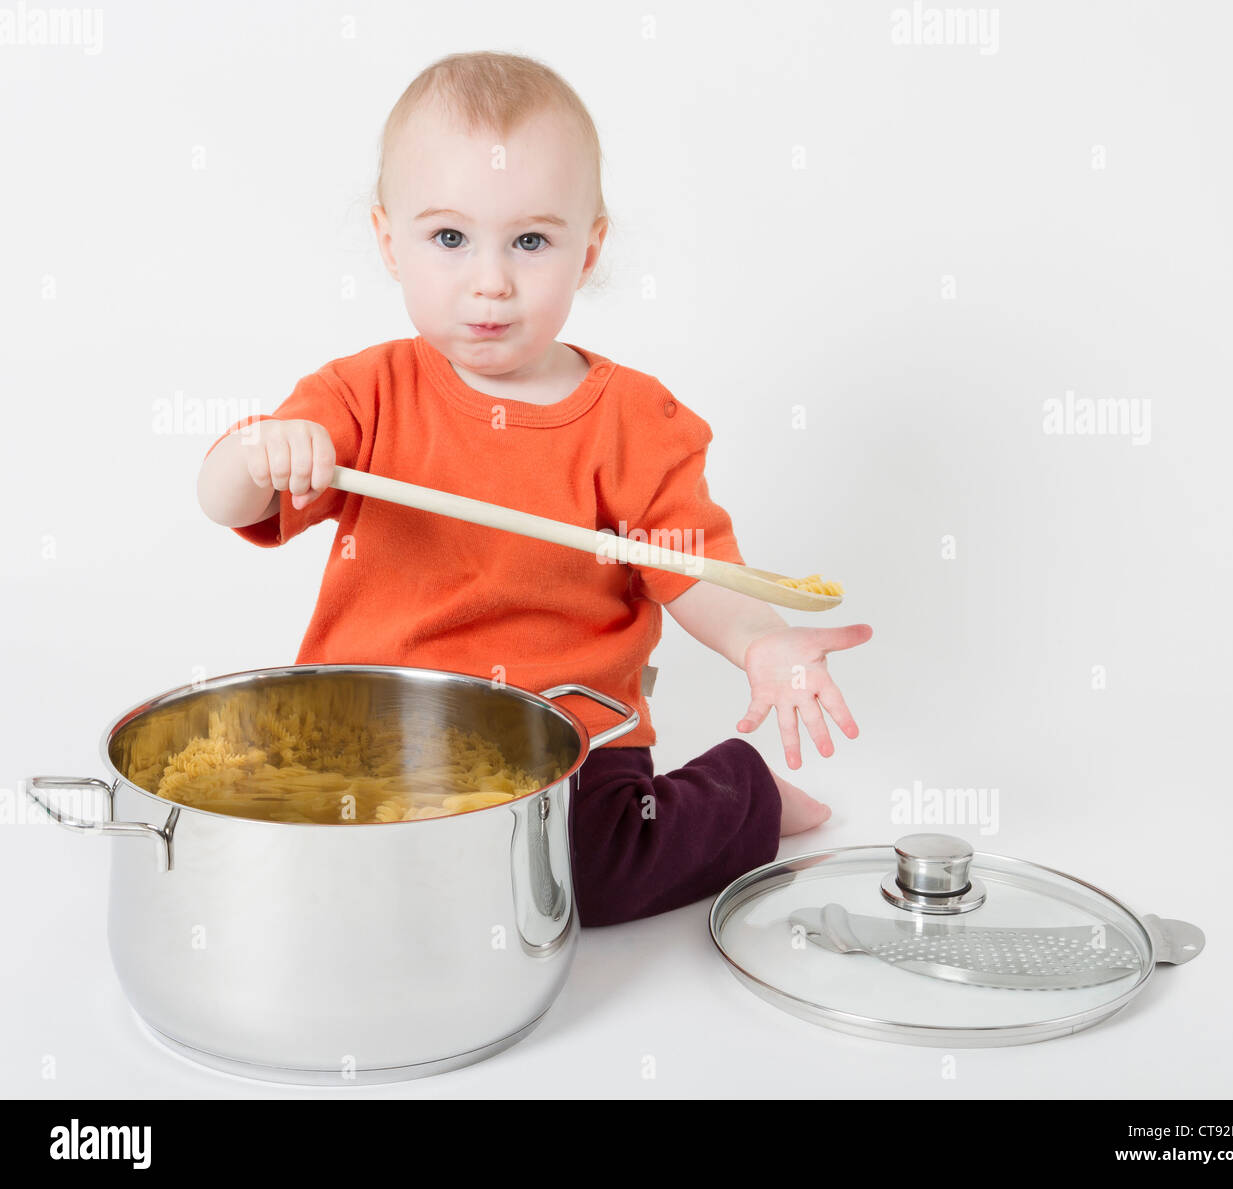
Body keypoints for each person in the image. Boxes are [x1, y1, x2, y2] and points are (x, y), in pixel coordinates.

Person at [196, 50, 872, 925]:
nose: (491, 281)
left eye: (530, 241)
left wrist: (762, 643)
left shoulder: (635, 417)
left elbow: (695, 570)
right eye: (449, 238)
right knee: (298, 854)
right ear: (386, 240)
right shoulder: (360, 395)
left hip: (568, 741)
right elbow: (224, 499)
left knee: (582, 876)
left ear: (587, 249)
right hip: (373, 730)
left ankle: (746, 799)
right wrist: (261, 454)